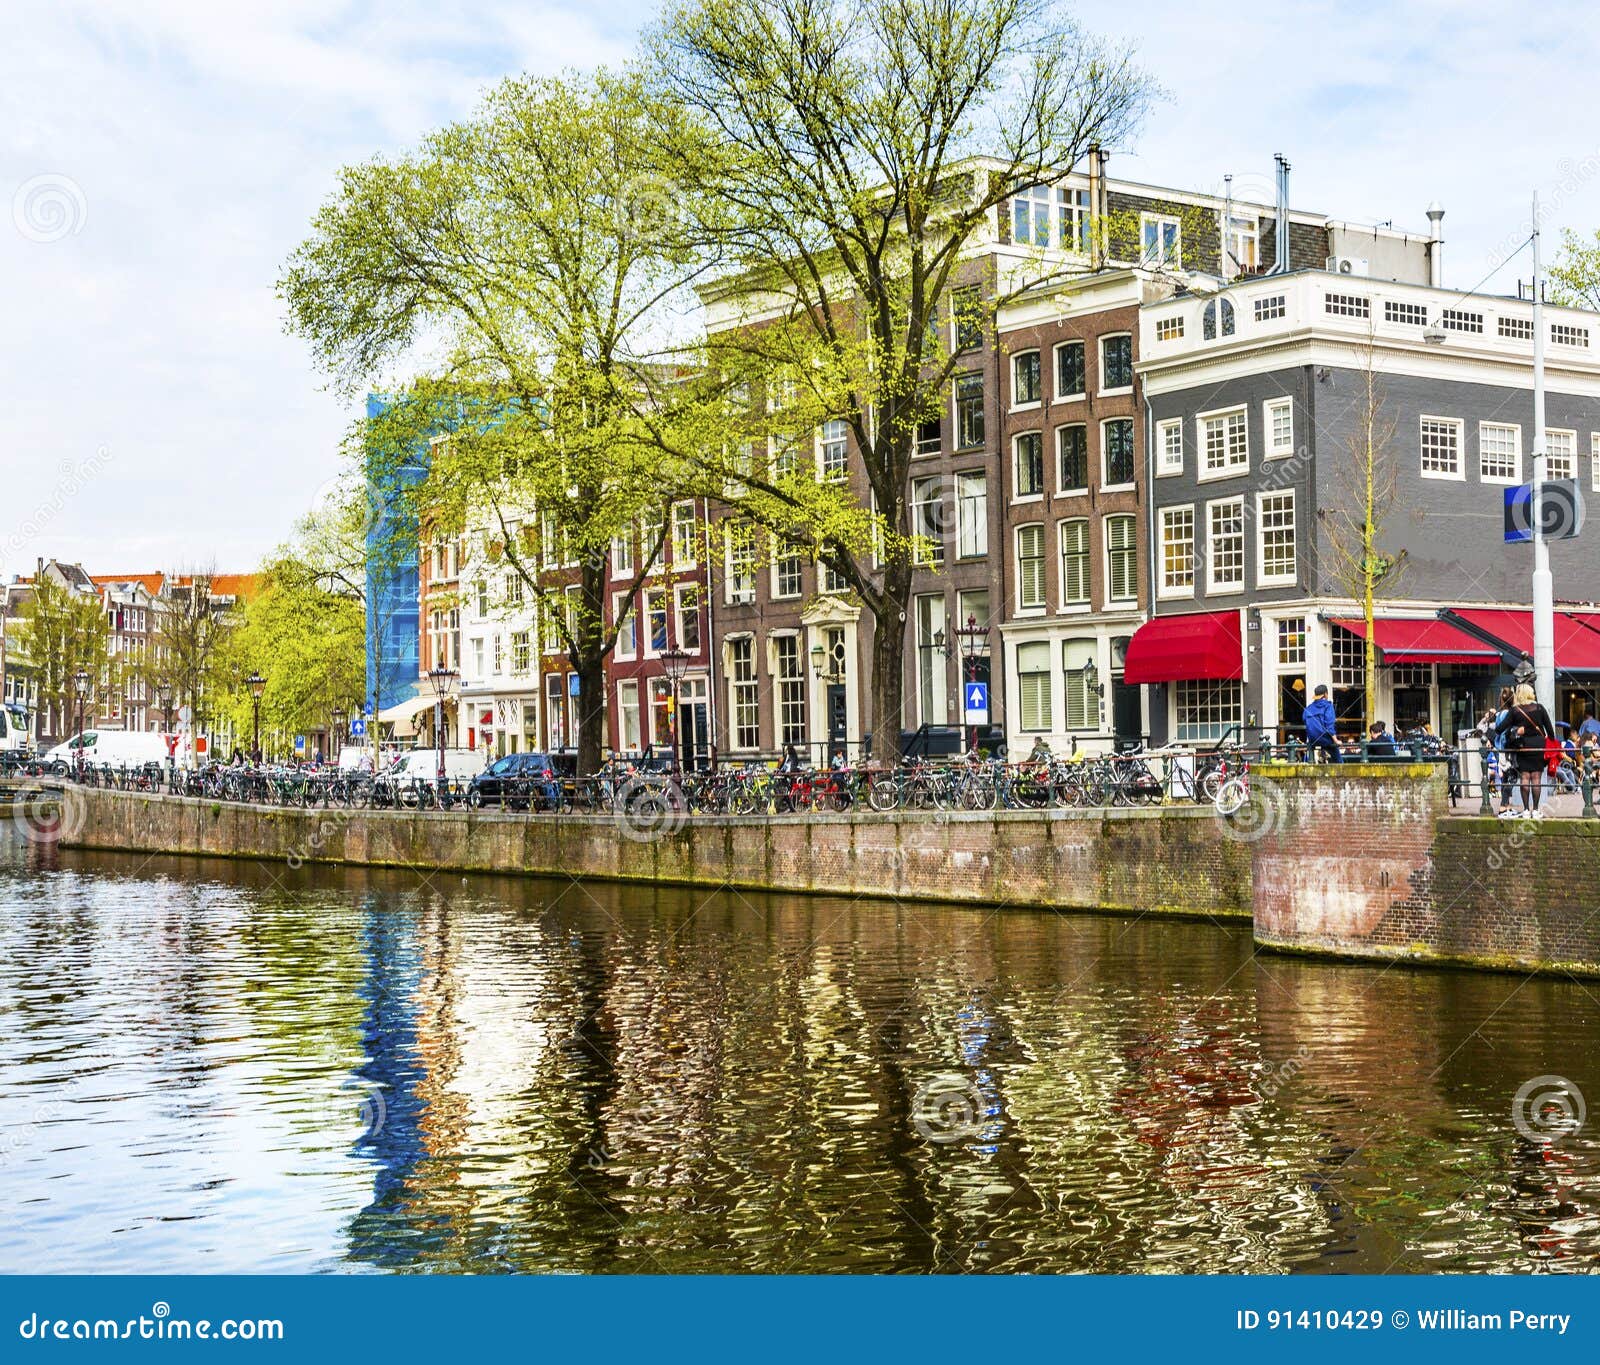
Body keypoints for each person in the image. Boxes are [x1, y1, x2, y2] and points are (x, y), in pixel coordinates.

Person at [1496, 683, 1557, 818]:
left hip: (1522, 747)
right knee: (1536, 778)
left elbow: (1499, 729)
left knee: (1524, 777)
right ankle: (1535, 810)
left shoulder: (1515, 711)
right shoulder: (1540, 708)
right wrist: (1544, 737)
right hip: (1538, 747)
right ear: (1530, 693)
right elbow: (1551, 733)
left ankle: (1525, 810)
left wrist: (1516, 730)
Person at [1303, 684, 1340, 763]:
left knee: (1309, 759)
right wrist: (1336, 741)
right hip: (1325, 739)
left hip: (1312, 740)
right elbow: (1329, 726)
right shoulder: (1328, 706)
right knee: (1338, 761)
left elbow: (1304, 719)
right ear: (1326, 694)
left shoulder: (1308, 708)